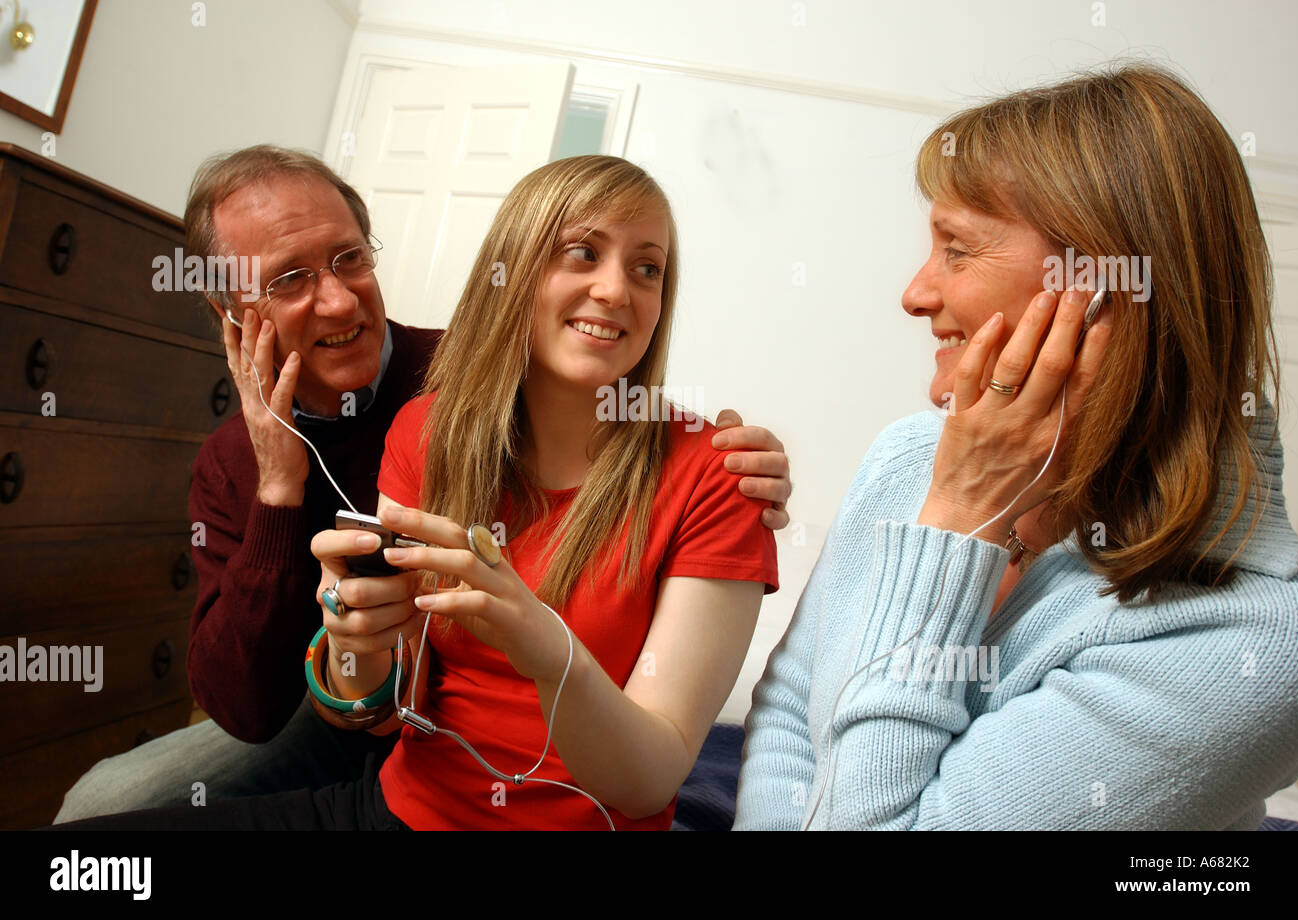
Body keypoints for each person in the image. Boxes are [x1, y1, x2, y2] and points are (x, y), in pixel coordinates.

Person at [54, 147, 792, 823]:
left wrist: (537, 636)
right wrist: (329, 591)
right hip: (373, 751)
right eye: (290, 279)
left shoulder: (452, 380)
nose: (340, 302)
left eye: (350, 259)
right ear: (231, 317)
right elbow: (281, 703)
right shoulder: (373, 437)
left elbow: (643, 778)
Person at [735, 64, 1298, 830]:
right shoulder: (908, 456)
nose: (915, 294)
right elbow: (790, 717)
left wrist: (958, 519)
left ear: (1103, 290)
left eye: (957, 252)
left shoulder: (1254, 641)